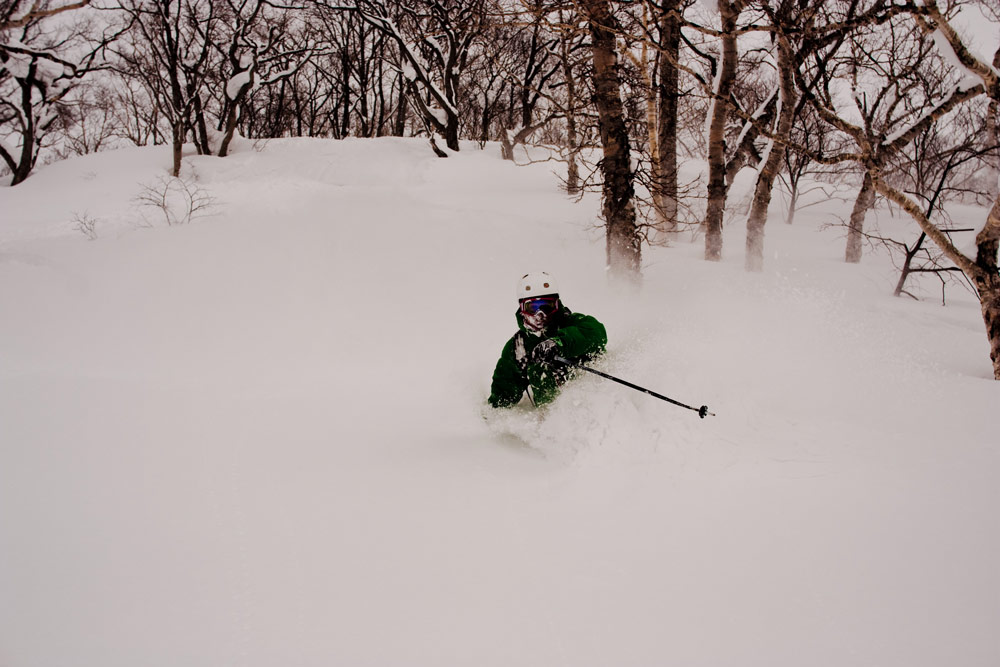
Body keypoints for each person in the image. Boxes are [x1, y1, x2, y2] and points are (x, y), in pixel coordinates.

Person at [488, 272, 607, 408]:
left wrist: (559, 344)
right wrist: (492, 412)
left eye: (546, 307)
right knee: (539, 366)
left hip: (594, 401)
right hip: (552, 416)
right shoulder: (518, 347)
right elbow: (502, 396)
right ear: (522, 308)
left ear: (556, 305)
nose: (540, 315)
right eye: (532, 307)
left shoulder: (573, 323)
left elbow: (597, 334)